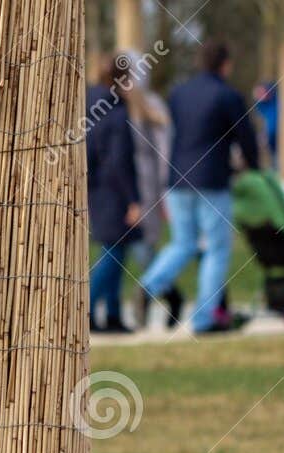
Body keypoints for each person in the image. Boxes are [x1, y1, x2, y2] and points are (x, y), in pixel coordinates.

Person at [139, 41, 261, 335]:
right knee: (217, 248)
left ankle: (148, 285)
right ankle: (205, 318)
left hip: (178, 178)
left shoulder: (178, 94)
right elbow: (244, 136)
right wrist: (254, 167)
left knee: (183, 242)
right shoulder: (228, 95)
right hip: (212, 181)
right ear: (225, 64)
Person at [86, 55, 142, 333]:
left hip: (95, 188)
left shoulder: (90, 103)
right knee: (113, 254)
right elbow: (120, 161)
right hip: (115, 193)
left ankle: (113, 313)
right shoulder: (117, 114)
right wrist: (132, 200)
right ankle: (89, 308)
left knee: (115, 251)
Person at [121, 54, 174, 329]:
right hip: (128, 187)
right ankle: (168, 293)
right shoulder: (118, 105)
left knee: (146, 246)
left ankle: (151, 293)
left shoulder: (151, 106)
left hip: (149, 188)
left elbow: (164, 152)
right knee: (140, 247)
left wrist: (165, 189)